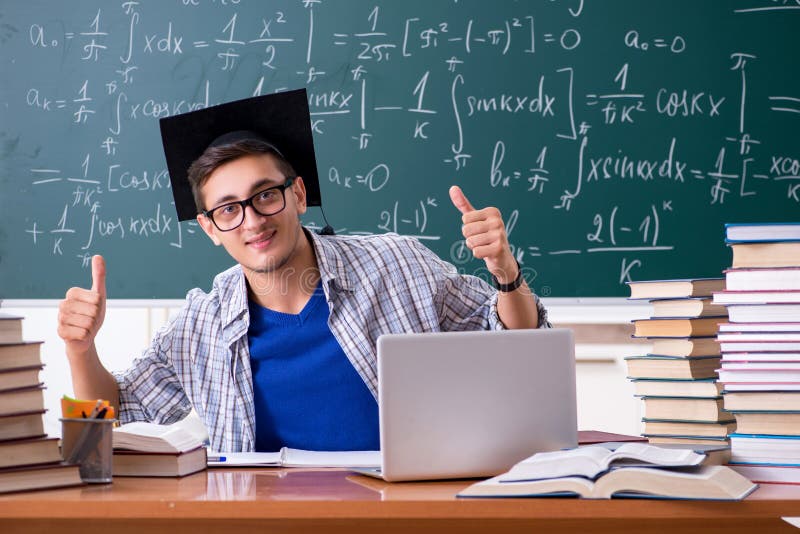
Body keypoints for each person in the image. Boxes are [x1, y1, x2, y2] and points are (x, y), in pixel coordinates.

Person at [57, 90, 550, 452]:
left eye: (264, 195)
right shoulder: (200, 325)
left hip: (408, 510)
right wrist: (81, 350)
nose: (252, 221)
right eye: (228, 209)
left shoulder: (396, 264)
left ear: (297, 195)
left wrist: (505, 271)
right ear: (210, 228)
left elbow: (518, 339)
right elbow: (116, 414)